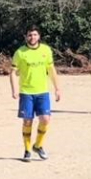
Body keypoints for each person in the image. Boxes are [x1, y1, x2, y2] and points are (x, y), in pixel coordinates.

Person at [10, 26, 62, 162]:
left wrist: (57, 88)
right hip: (26, 92)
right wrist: (14, 89)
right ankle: (27, 150)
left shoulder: (46, 50)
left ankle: (38, 145)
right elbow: (13, 73)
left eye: (34, 35)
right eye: (29, 35)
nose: (32, 37)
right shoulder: (20, 53)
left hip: (42, 91)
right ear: (26, 37)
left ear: (39, 36)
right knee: (27, 121)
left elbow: (51, 69)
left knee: (45, 119)